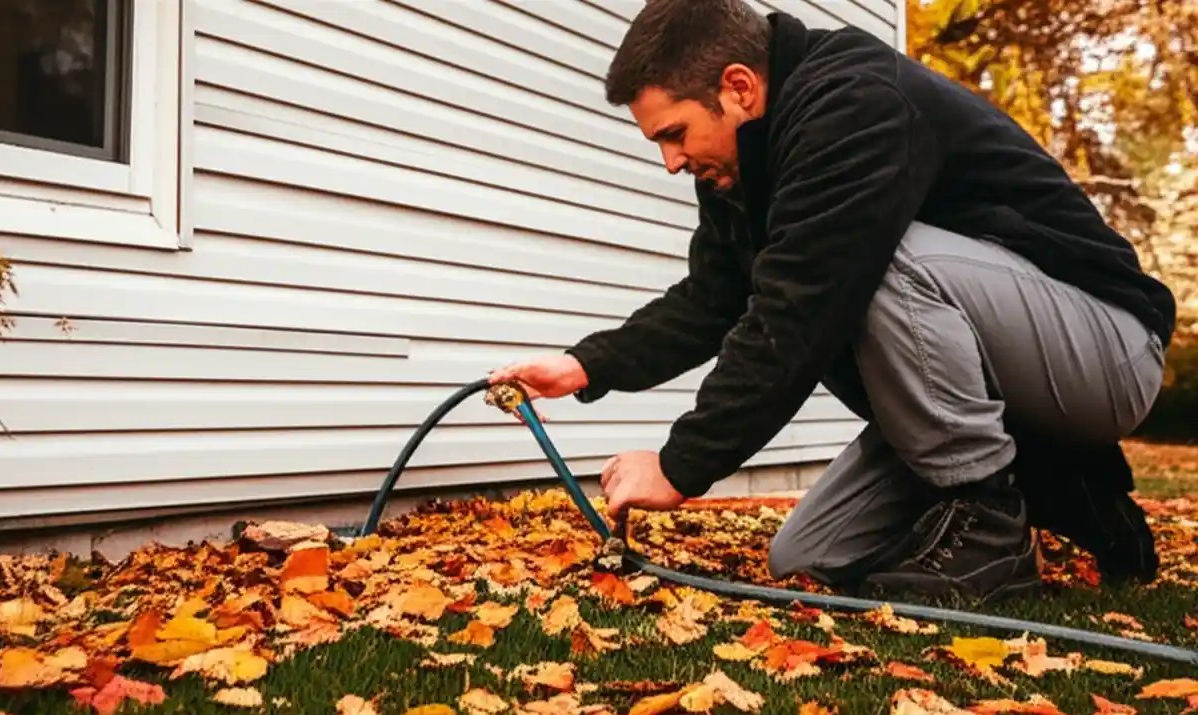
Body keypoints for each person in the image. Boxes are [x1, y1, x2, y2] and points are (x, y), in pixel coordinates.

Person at [489, 0, 1176, 601]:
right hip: (1010, 367)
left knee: (872, 260)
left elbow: (796, 310)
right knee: (810, 555)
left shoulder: (854, 101)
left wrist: (679, 466)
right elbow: (711, 298)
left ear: (738, 86)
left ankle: (985, 520)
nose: (671, 161)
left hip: (1109, 345)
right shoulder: (740, 164)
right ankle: (1068, 490)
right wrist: (585, 366)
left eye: (673, 133)